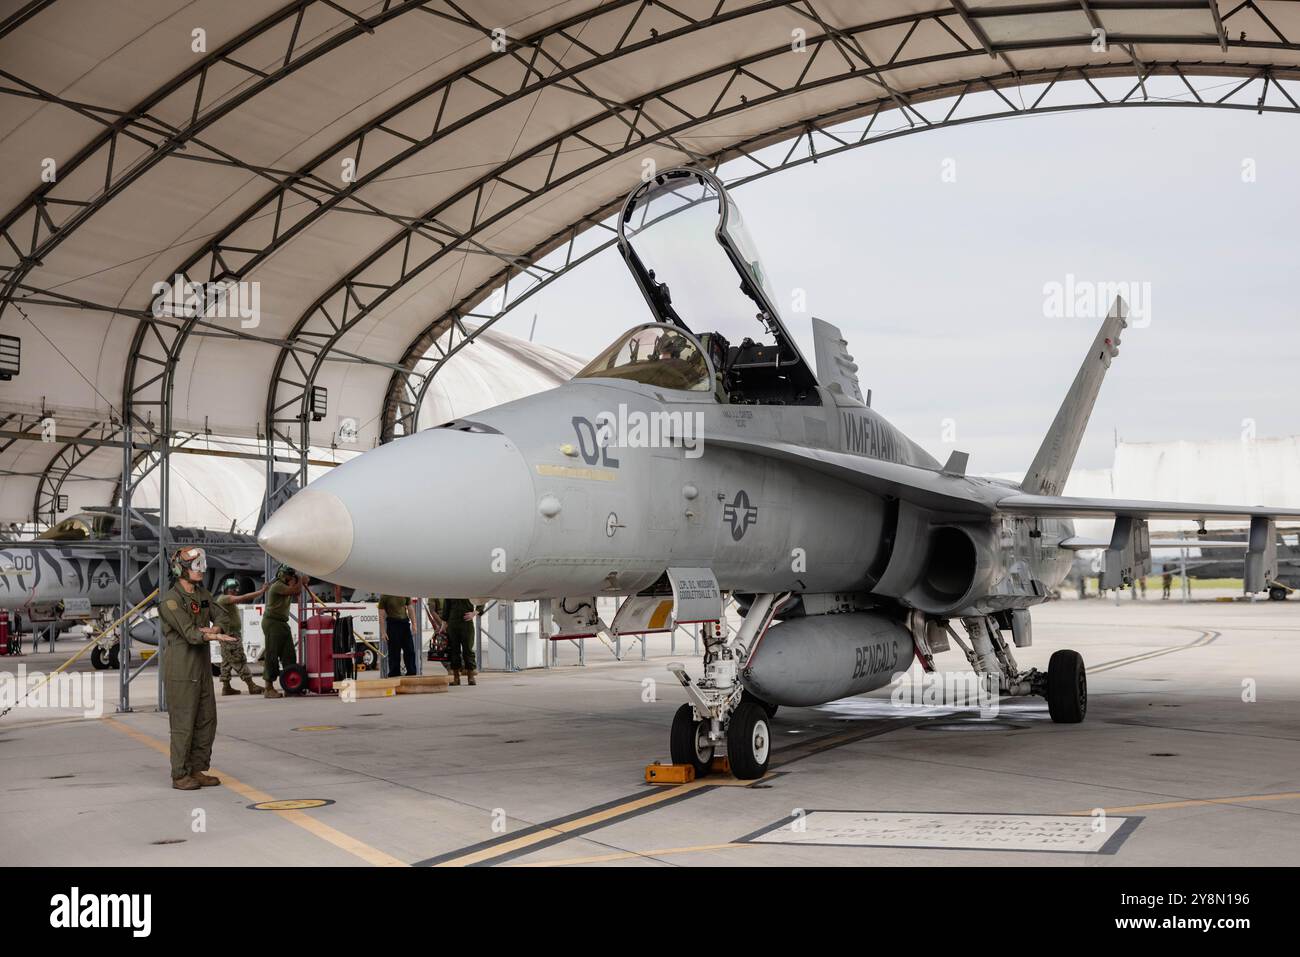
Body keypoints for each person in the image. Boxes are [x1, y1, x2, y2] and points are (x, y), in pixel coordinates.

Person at [158, 546, 238, 790]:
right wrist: (210, 636)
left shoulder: (202, 594)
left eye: (201, 565)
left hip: (201, 668)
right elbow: (191, 634)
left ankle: (197, 769)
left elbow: (223, 616)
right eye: (195, 566)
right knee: (184, 723)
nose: (201, 570)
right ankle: (180, 774)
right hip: (182, 669)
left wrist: (217, 629)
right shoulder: (170, 601)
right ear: (179, 570)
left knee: (206, 719)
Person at [212, 577, 266, 695]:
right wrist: (260, 592)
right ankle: (251, 686)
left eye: (236, 590)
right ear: (225, 590)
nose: (235, 592)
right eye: (232, 590)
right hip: (231, 636)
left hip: (229, 635)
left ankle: (226, 688)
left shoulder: (225, 600)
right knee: (239, 660)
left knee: (226, 662)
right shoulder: (224, 599)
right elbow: (243, 598)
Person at [261, 565, 302, 699]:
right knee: (272, 654)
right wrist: (301, 580)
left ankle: (290, 685)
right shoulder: (277, 586)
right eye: (290, 576)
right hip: (272, 622)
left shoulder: (287, 586)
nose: (291, 578)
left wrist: (297, 582)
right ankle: (269, 687)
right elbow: (295, 590)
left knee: (289, 654)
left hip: (282, 623)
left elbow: (297, 592)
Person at [430, 598, 477, 686]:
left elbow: (481, 600)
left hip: (466, 623)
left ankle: (470, 676)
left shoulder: (470, 588)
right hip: (452, 624)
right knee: (454, 651)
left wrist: (474, 613)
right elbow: (446, 607)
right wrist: (443, 625)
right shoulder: (451, 591)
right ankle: (456, 677)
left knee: (468, 650)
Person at [378, 594, 417, 677]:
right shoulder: (385, 595)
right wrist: (383, 632)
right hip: (392, 624)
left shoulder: (403, 591)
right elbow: (381, 614)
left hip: (404, 623)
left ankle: (411, 672)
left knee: (409, 650)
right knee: (394, 652)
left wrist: (414, 624)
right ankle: (394, 674)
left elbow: (410, 608)